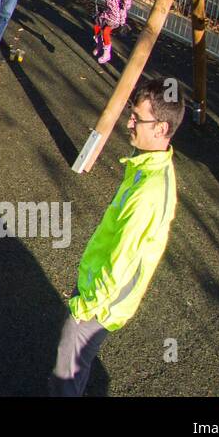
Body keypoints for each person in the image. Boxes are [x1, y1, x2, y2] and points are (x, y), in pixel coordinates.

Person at [50, 77, 181, 396]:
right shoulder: (149, 168)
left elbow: (121, 262)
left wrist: (85, 307)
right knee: (76, 369)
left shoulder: (147, 192)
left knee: (65, 375)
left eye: (138, 118)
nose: (130, 122)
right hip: (103, 295)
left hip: (100, 303)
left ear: (161, 129)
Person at [92, 0, 132, 66]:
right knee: (96, 27)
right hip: (106, 16)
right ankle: (99, 45)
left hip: (115, 20)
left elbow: (127, 5)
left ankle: (107, 54)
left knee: (106, 32)